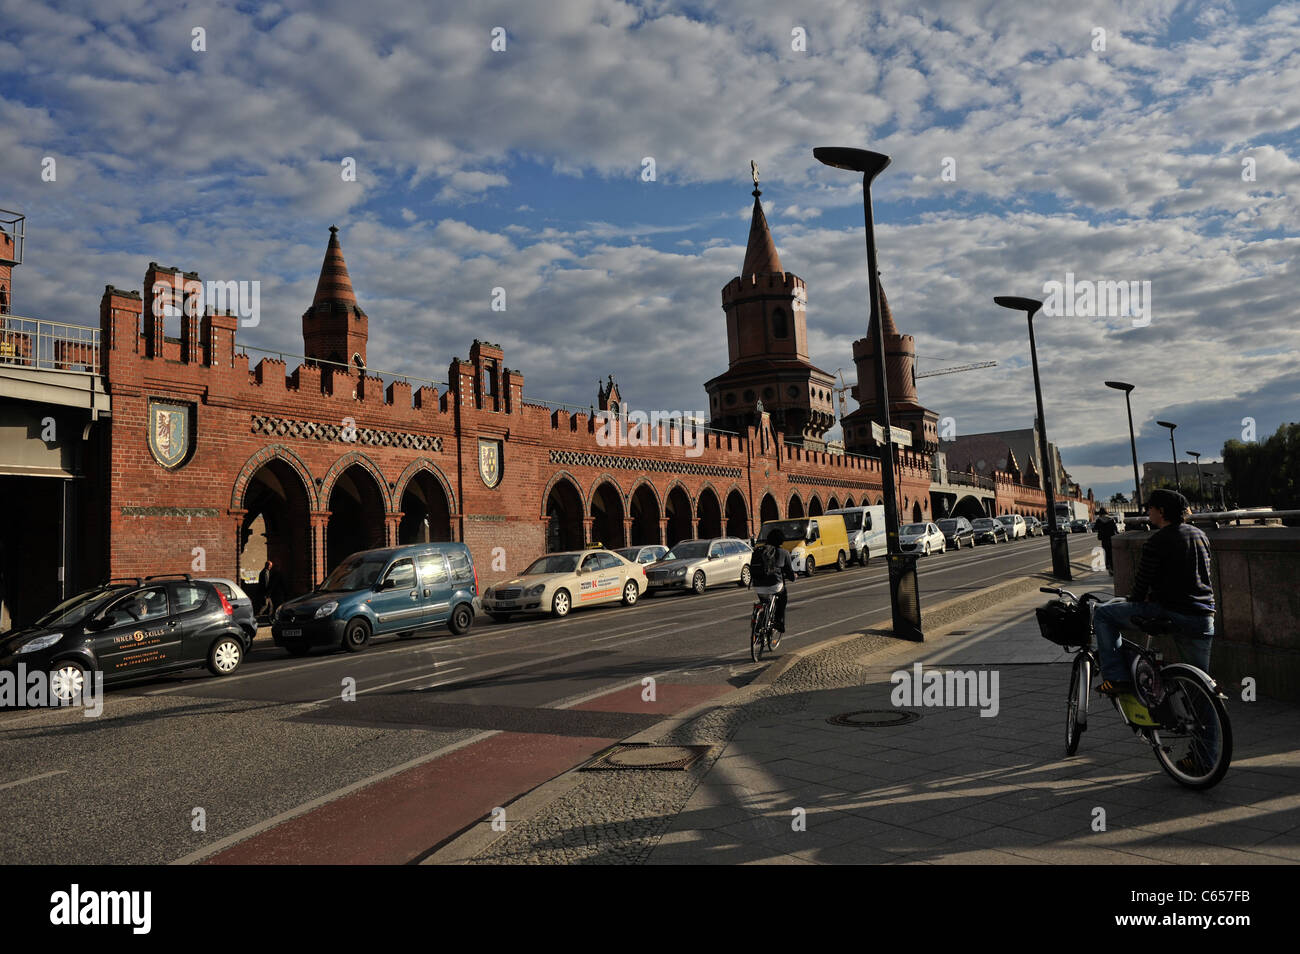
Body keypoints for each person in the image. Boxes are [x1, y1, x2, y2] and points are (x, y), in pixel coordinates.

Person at [1091, 489, 1214, 696]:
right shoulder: (1200, 535)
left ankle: (1116, 677)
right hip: (1204, 616)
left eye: (1150, 508)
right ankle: (1209, 726)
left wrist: (1135, 599)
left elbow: (1141, 586)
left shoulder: (1157, 541)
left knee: (1103, 614)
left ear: (1162, 511)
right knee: (1201, 686)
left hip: (1172, 612)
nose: (1148, 511)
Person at [751, 528, 797, 633]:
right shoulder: (784, 553)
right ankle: (778, 621)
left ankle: (759, 622)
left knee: (764, 602)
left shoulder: (759, 551)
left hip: (757, 585)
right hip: (775, 586)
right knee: (783, 597)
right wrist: (794, 577)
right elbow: (790, 574)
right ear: (781, 540)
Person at [1094, 507, 1119, 574]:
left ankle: (1109, 567)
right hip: (1111, 539)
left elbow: (1095, 528)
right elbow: (1115, 530)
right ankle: (1113, 568)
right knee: (1111, 554)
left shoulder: (1099, 520)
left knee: (1106, 553)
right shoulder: (1111, 520)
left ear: (1100, 513)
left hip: (1104, 540)